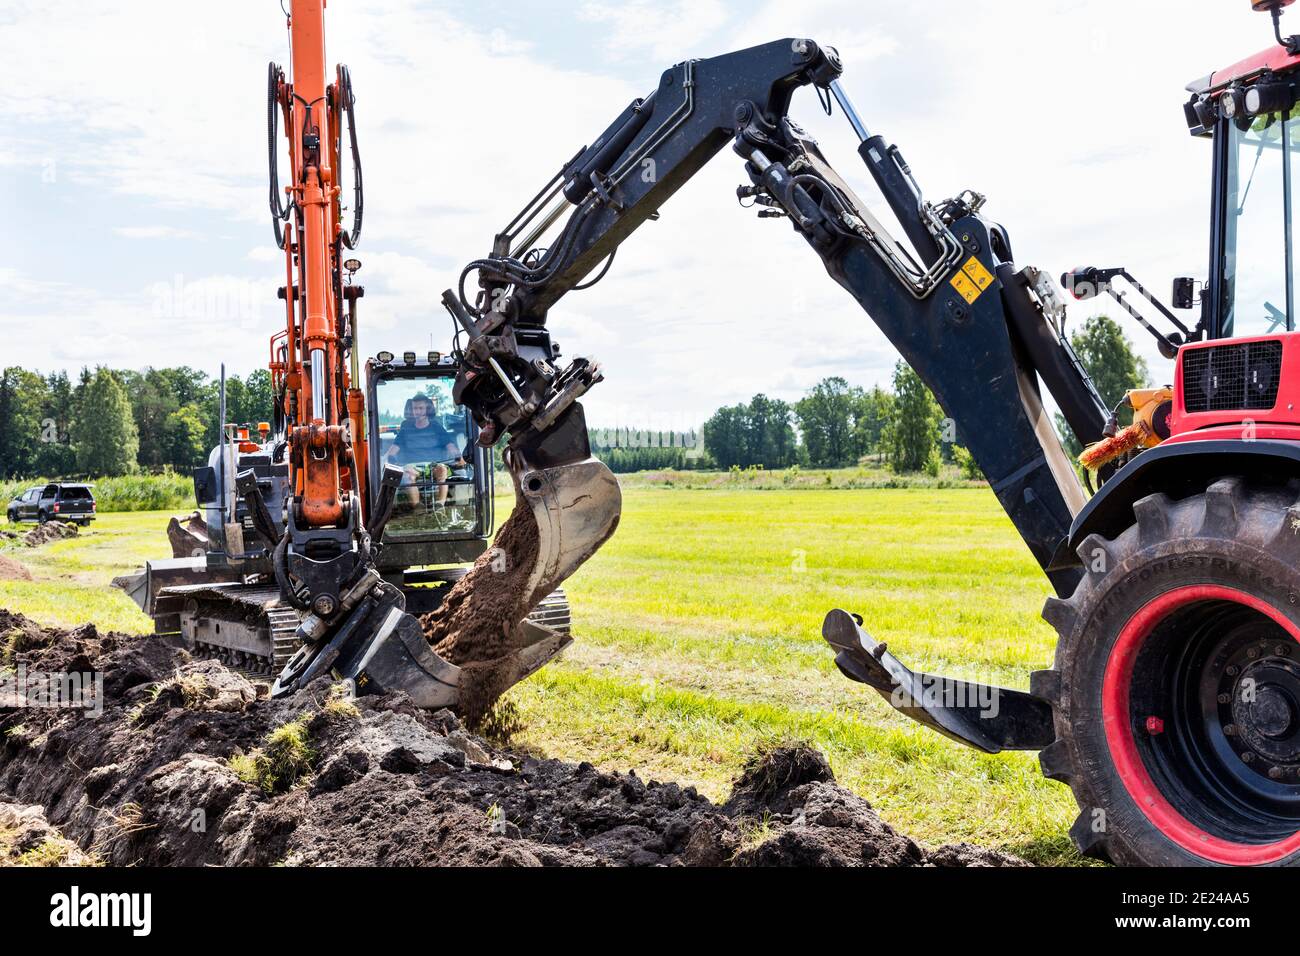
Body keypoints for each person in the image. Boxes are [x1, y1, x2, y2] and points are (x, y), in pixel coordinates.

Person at [384, 393, 465, 507]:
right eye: (415, 408)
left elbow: (450, 446)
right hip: (412, 466)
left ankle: (439, 505)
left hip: (434, 464)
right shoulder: (406, 429)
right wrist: (390, 459)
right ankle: (417, 508)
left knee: (442, 471)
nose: (417, 411)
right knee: (408, 475)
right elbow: (392, 451)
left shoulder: (437, 427)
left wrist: (459, 456)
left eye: (421, 408)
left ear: (428, 410)